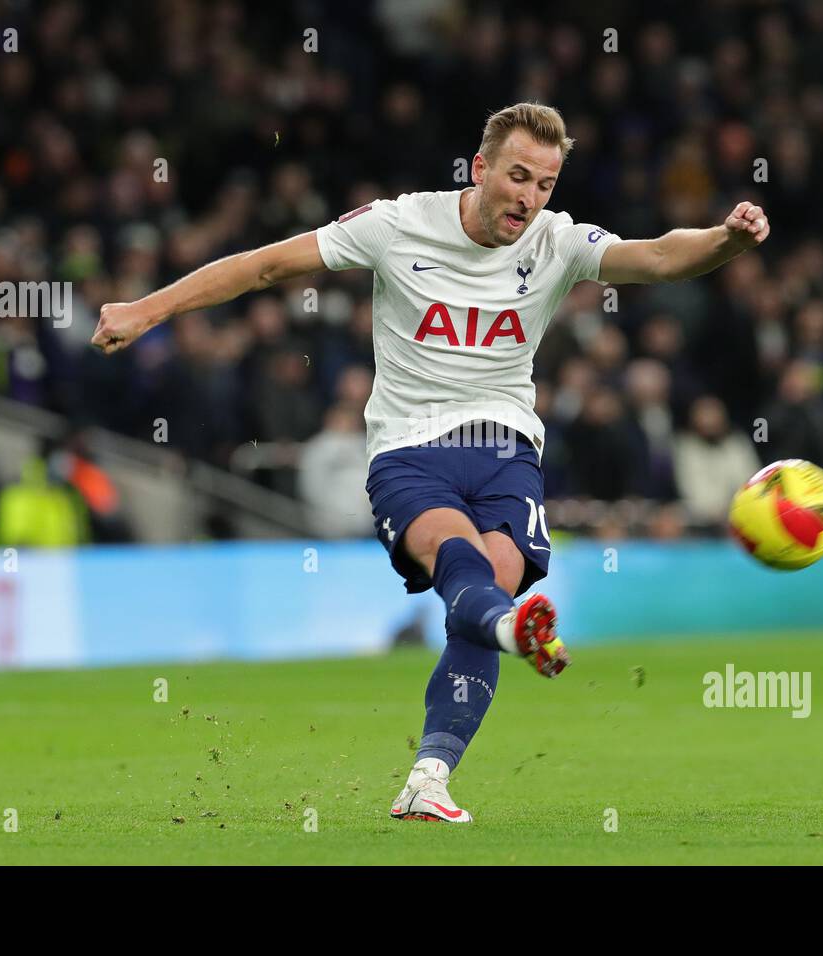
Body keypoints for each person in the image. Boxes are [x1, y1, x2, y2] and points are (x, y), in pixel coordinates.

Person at [90, 102, 769, 823]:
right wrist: (147, 309)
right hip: (411, 449)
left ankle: (430, 777)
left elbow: (661, 256)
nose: (528, 197)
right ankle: (507, 636)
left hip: (506, 450)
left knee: (480, 594)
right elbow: (264, 267)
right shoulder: (397, 224)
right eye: (516, 177)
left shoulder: (556, 241)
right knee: (466, 569)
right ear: (479, 169)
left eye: (544, 183)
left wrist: (728, 240)